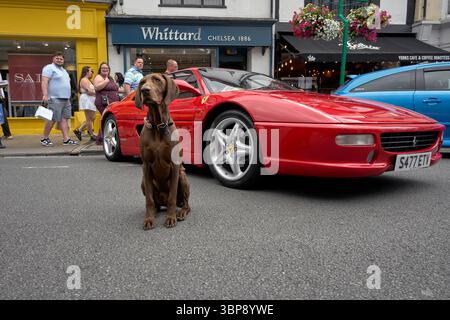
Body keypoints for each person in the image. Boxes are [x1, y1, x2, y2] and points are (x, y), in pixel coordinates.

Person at [40, 51, 78, 146]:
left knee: (64, 119)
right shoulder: (49, 68)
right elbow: (44, 82)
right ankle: (45, 138)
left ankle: (66, 139)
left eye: (61, 59)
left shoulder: (64, 70)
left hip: (66, 99)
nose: (59, 60)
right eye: (57, 58)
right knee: (52, 119)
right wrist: (45, 95)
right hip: (54, 98)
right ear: (53, 58)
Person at [93, 62, 120, 145]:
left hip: (112, 102)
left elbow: (116, 89)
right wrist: (106, 81)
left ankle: (101, 139)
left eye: (107, 68)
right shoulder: (99, 77)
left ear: (109, 70)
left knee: (107, 119)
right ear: (100, 70)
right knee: (107, 119)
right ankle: (101, 139)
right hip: (103, 102)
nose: (105, 69)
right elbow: (97, 87)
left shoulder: (110, 78)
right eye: (103, 68)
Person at [73, 66, 97, 142]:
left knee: (92, 118)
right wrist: (97, 93)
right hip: (87, 99)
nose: (91, 72)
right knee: (90, 118)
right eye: (90, 71)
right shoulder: (84, 80)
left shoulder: (88, 80)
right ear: (86, 72)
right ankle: (91, 134)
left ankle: (79, 130)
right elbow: (89, 91)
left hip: (90, 99)